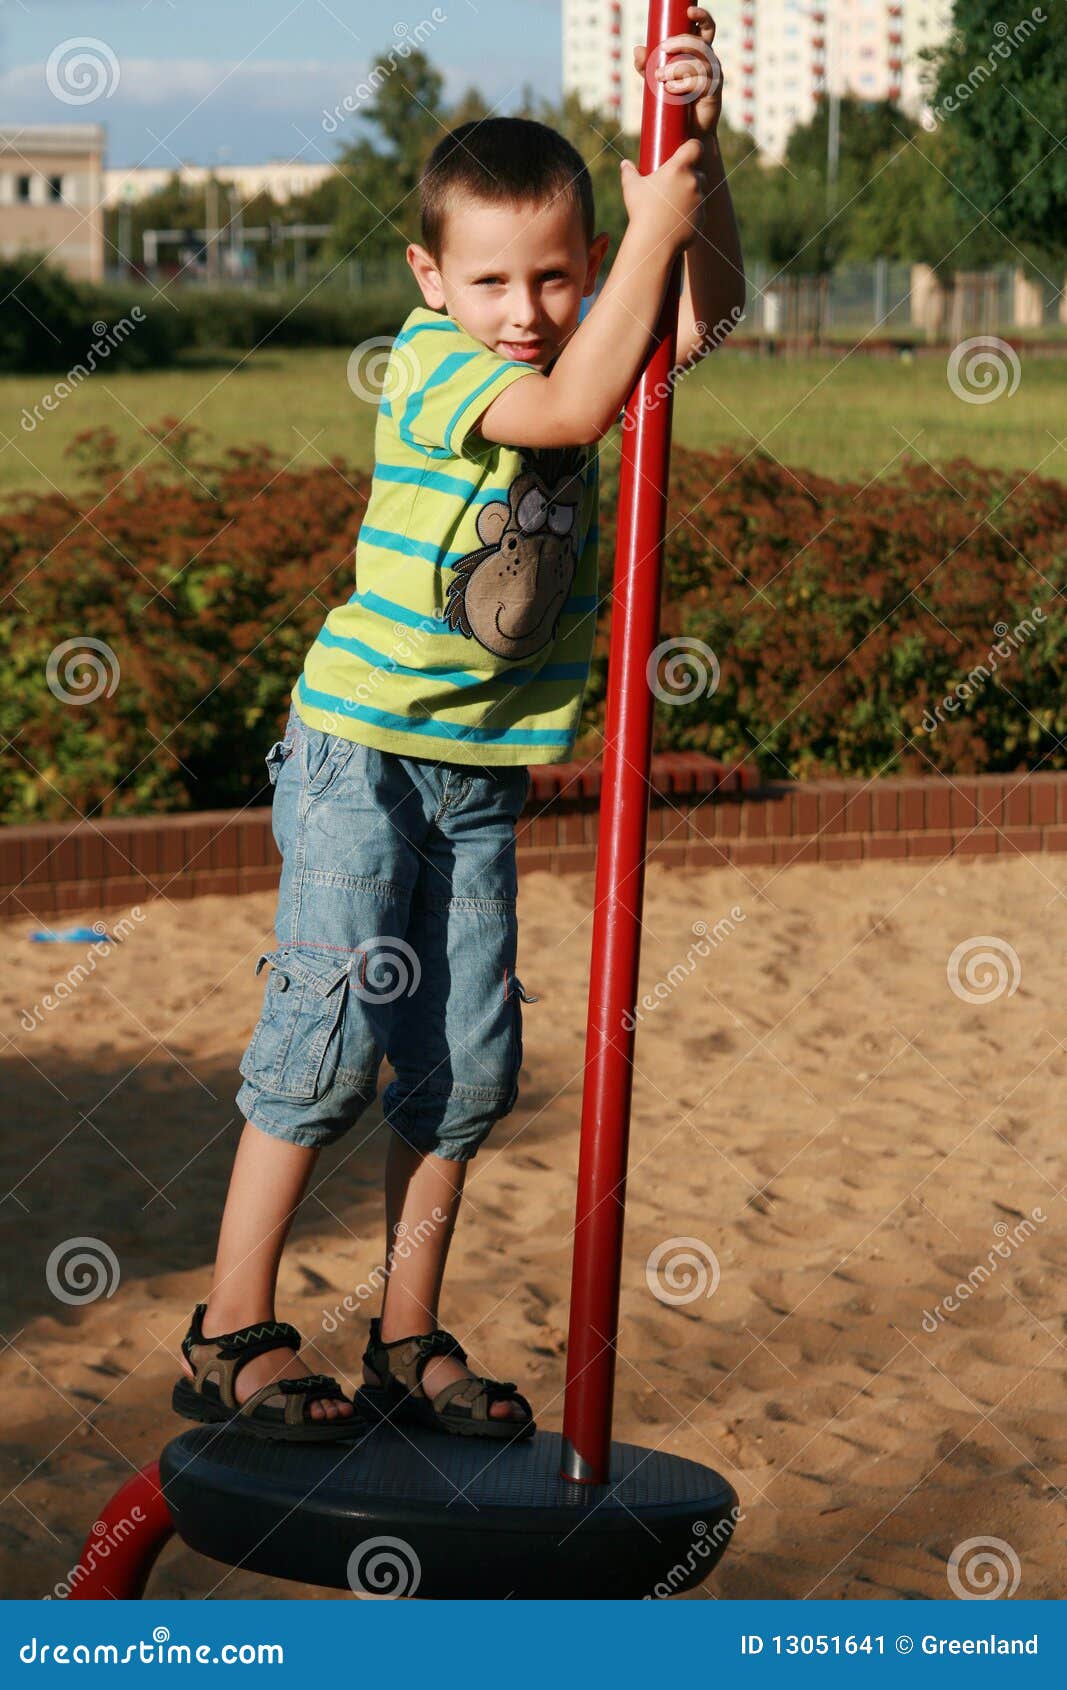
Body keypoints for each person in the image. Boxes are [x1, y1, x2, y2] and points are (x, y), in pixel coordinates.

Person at [174, 6, 744, 1442]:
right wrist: (647, 229)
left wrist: (702, 174)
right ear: (433, 275)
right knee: (330, 1029)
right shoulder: (438, 362)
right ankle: (231, 1318)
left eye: (559, 275)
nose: (529, 307)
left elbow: (700, 320)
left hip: (480, 770)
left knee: (469, 1062)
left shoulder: (590, 325)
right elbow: (562, 407)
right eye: (492, 277)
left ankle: (404, 1331)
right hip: (360, 749)